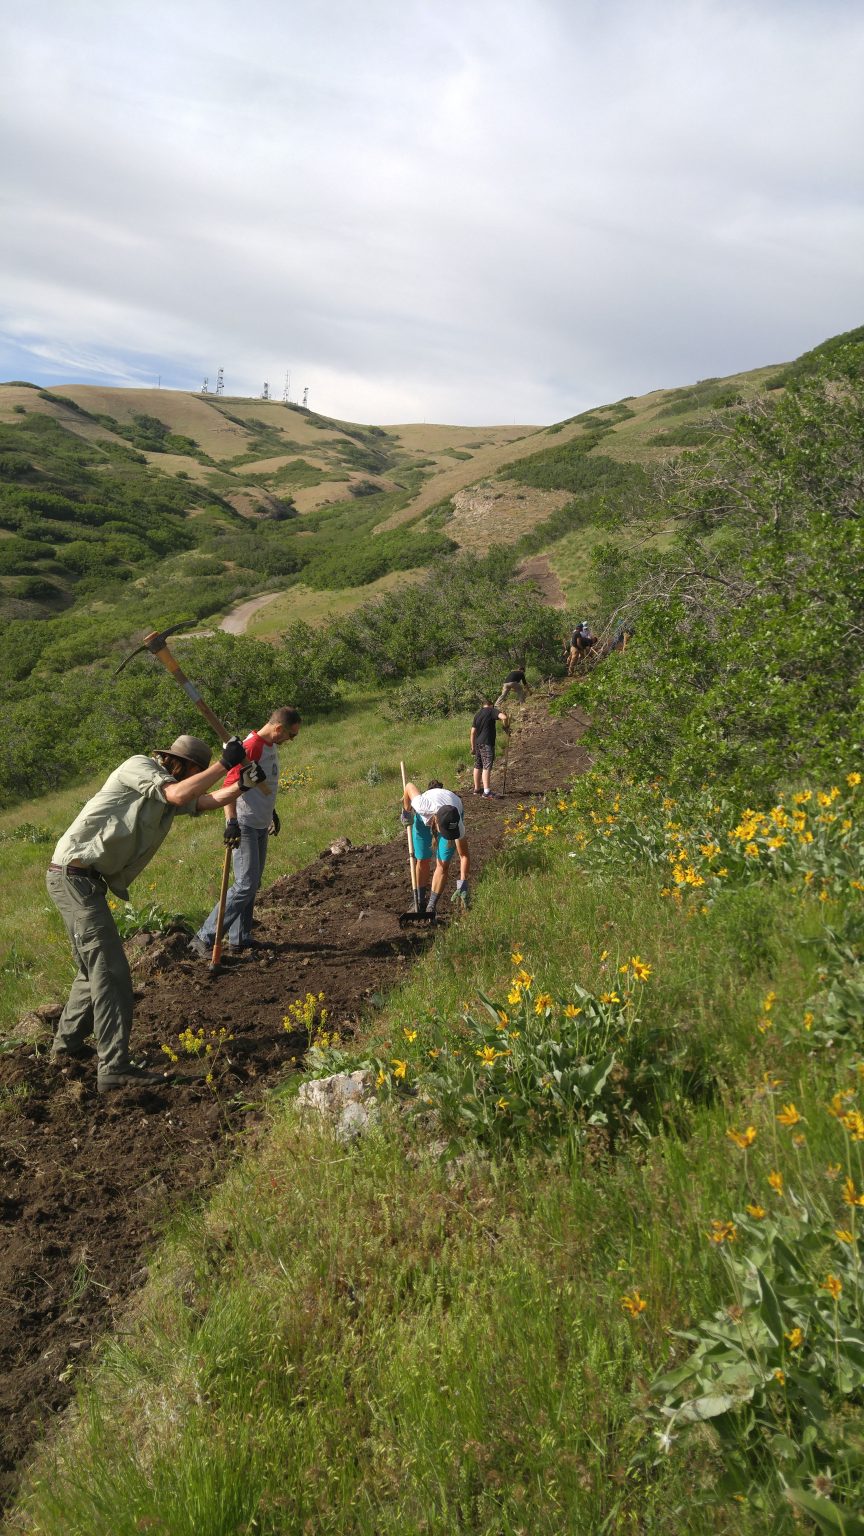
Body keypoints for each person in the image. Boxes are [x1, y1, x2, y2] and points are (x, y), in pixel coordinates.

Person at [47, 733, 250, 1092]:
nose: (198, 779)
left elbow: (203, 801)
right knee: (111, 972)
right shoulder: (139, 767)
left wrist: (242, 785)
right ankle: (114, 1066)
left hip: (84, 880)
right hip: (73, 877)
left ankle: (66, 1048)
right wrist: (224, 764)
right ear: (183, 765)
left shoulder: (169, 790)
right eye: (198, 772)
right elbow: (179, 794)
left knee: (93, 970)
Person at [189, 707, 301, 959]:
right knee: (245, 884)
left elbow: (260, 784)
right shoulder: (251, 747)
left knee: (252, 884)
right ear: (278, 728)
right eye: (291, 735)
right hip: (245, 824)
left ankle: (239, 938)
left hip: (260, 822)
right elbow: (229, 785)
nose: (291, 740)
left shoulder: (269, 746)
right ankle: (204, 938)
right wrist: (231, 822)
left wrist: (271, 812)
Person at [401, 780, 470, 912]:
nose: (447, 835)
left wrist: (463, 885)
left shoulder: (457, 824)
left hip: (451, 807)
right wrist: (406, 811)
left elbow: (464, 856)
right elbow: (409, 786)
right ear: (437, 823)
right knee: (422, 859)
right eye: (445, 832)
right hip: (423, 820)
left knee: (443, 864)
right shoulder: (423, 806)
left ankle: (431, 907)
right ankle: (419, 902)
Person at [470, 699, 509, 797]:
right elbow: (504, 717)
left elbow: (473, 732)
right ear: (491, 705)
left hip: (478, 743)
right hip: (487, 743)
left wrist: (473, 747)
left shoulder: (477, 714)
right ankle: (486, 792)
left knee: (478, 765)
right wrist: (506, 727)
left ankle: (477, 789)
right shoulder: (491, 710)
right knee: (487, 766)